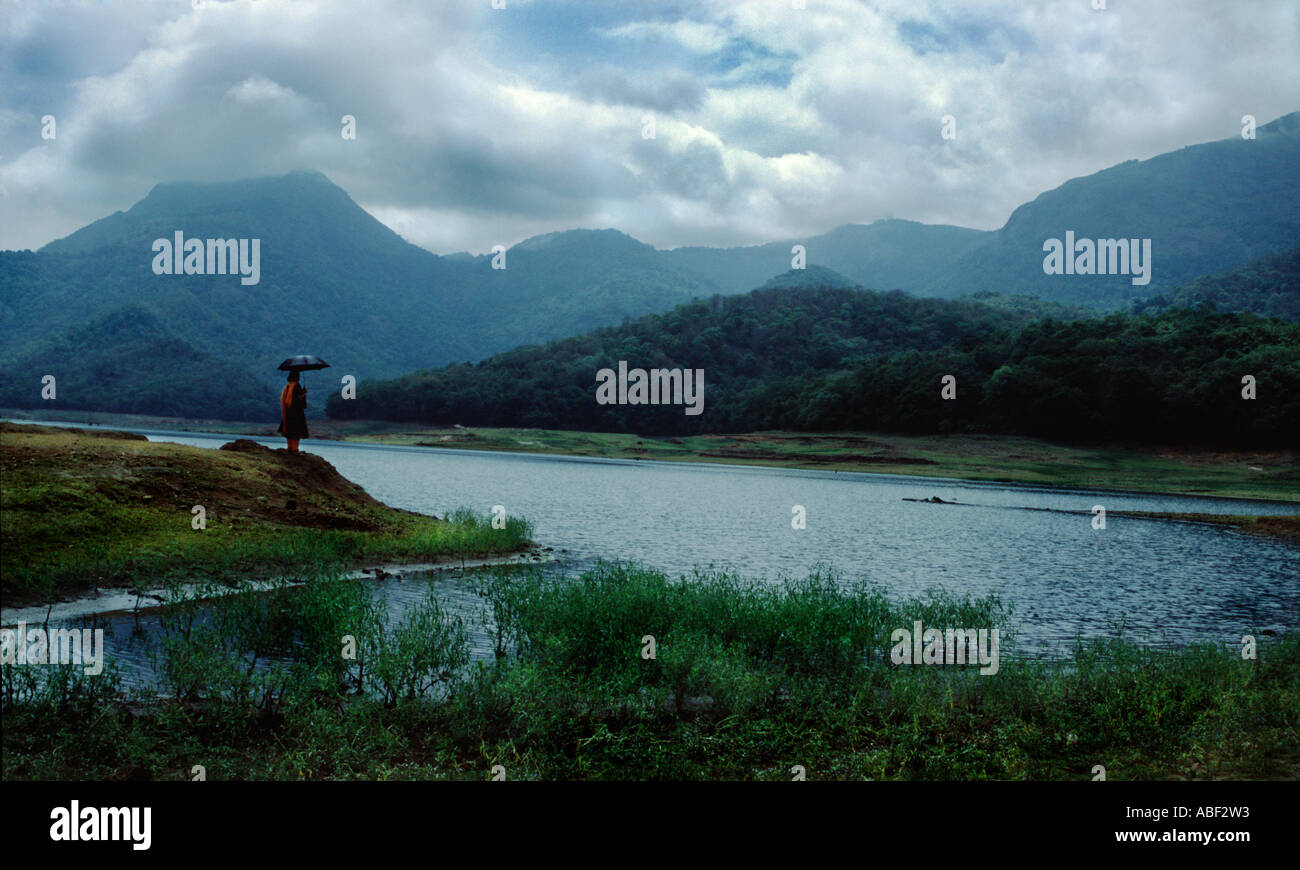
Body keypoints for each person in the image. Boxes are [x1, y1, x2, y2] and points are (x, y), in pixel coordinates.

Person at [277, 371, 309, 453]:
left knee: (289, 431)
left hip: (288, 413)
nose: (299, 378)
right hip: (297, 414)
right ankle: (295, 449)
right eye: (298, 376)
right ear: (297, 377)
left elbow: (287, 400)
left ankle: (290, 447)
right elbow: (298, 401)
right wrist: (303, 394)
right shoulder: (297, 386)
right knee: (296, 432)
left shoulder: (287, 387)